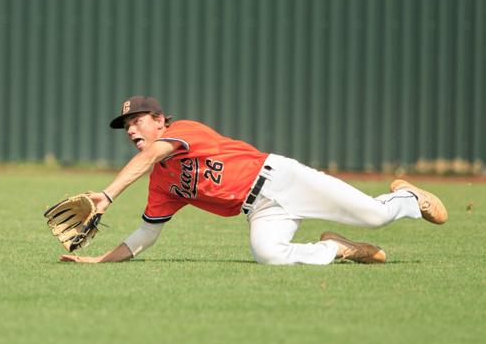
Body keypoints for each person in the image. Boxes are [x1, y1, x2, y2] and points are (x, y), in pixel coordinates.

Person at [60, 96, 447, 265]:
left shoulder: (184, 131)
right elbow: (147, 233)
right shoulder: (162, 183)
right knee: (268, 255)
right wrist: (99, 259)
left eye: (137, 121)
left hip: (282, 180)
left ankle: (407, 198)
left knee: (376, 216)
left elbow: (150, 156)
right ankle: (337, 248)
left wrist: (108, 195)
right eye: (126, 126)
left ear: (160, 121)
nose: (131, 130)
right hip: (258, 209)